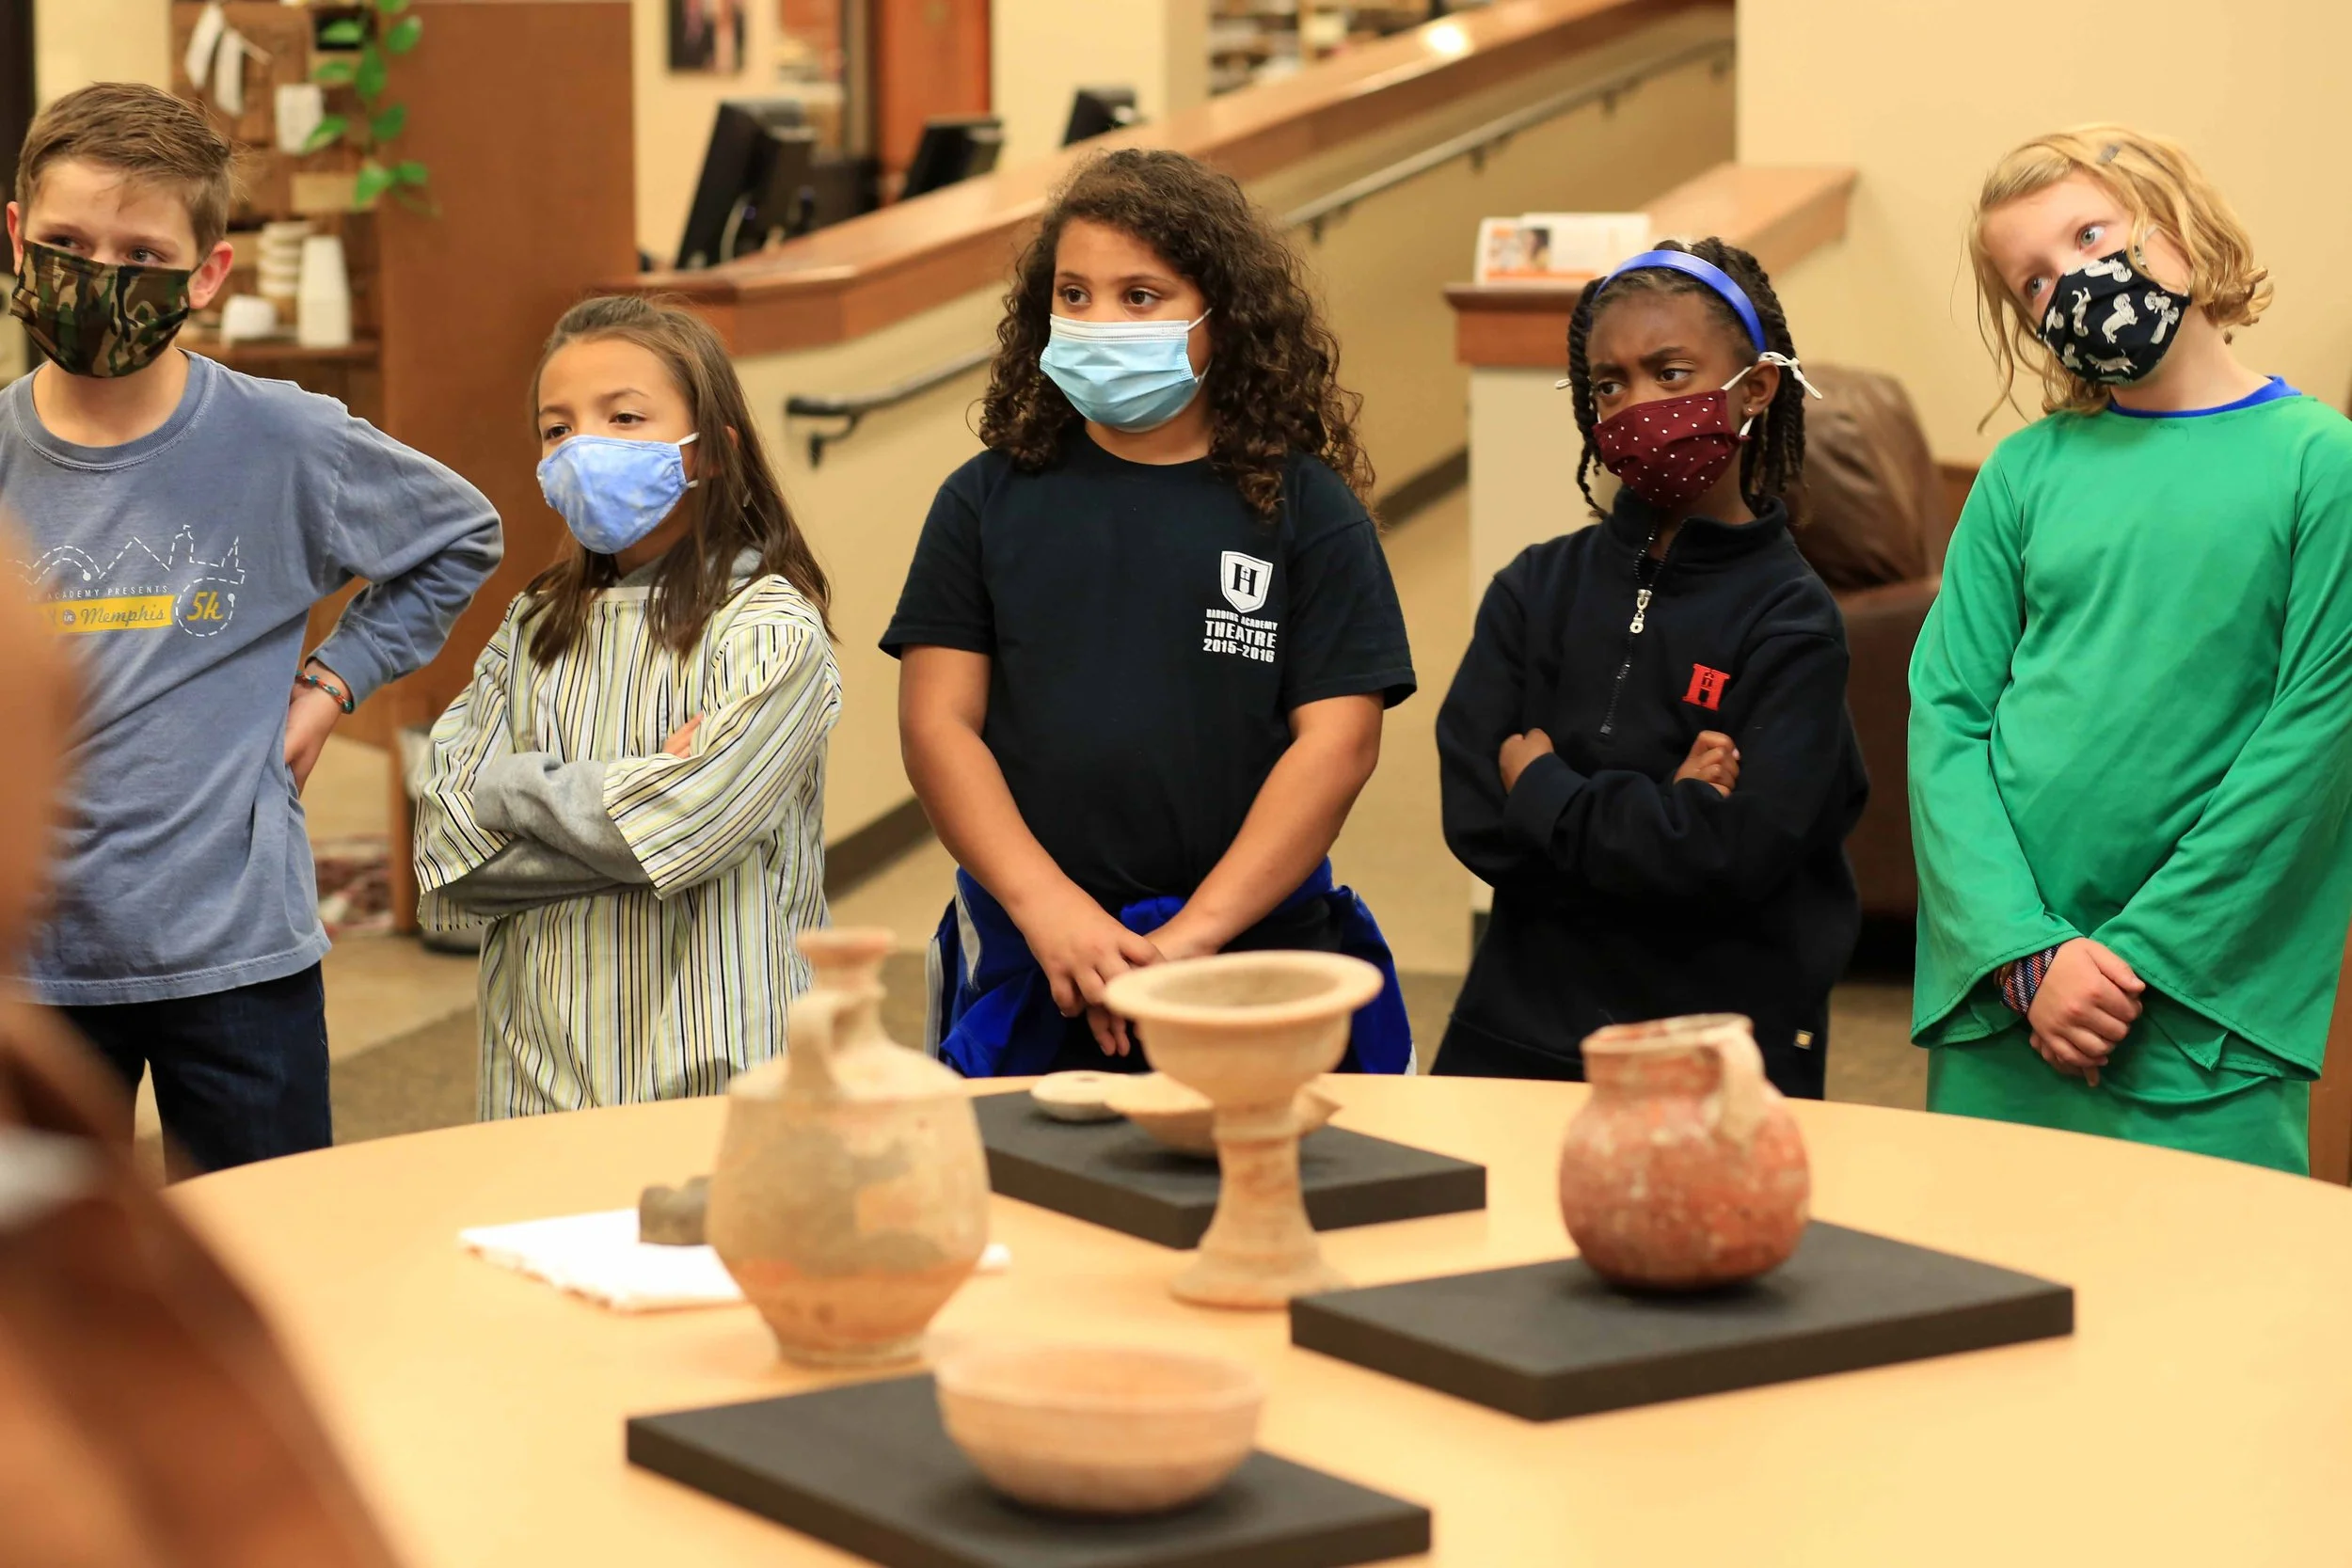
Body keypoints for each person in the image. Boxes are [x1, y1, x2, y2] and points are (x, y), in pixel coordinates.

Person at [0, 84, 501, 1172]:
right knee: (42, 1299)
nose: (98, 276)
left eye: (139, 254)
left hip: (236, 955)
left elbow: (461, 533)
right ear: (15, 238)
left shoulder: (287, 442)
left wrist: (333, 683)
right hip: (29, 972)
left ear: (207, 274)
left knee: (278, 1246)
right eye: (67, 243)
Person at [885, 149, 1416, 1078]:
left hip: (1251, 952)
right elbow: (938, 724)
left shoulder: (1304, 509)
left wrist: (1190, 940)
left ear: (1222, 317)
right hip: (1038, 954)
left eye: (1141, 297)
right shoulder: (982, 501)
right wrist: (1049, 907)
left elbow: (1337, 744)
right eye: (1075, 294)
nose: (1099, 323)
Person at [1911, 126, 2352, 1173]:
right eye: (2032, 281)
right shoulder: (2021, 474)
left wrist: (2131, 959)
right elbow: (1946, 715)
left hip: (2204, 1009)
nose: (2070, 282)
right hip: (2007, 1000)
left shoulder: (2317, 462)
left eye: (2089, 234)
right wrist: (2025, 954)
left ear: (2181, 233)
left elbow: (2313, 739)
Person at [1433, 240, 1866, 1098]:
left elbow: (1731, 859)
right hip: (1519, 1036)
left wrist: (1548, 789)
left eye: (1670, 373)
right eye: (1608, 383)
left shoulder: (1793, 618)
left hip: (1715, 1057)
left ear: (1756, 387)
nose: (1635, 404)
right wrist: (1665, 809)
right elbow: (1478, 818)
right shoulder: (1533, 587)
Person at [413, 295, 839, 1118]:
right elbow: (447, 844)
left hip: (716, 1060)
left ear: (708, 454)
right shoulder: (533, 623)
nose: (584, 447)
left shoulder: (769, 629)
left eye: (625, 417)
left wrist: (511, 789)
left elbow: (688, 829)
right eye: (558, 428)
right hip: (538, 1059)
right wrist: (628, 796)